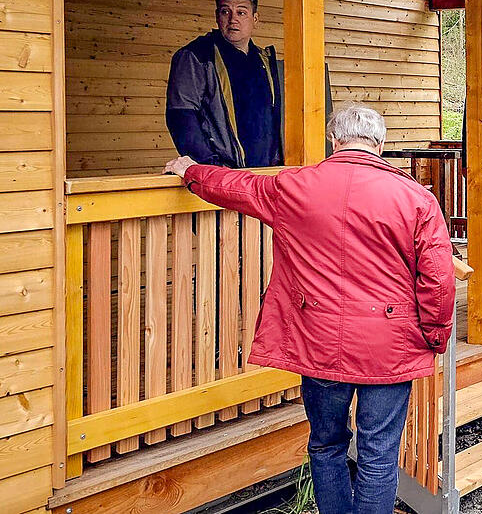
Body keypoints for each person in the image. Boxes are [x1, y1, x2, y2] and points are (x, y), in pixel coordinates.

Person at [163, 104, 455, 514]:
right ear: (381, 145)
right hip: (388, 346)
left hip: (318, 343)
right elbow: (438, 278)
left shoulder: (293, 186)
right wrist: (436, 335)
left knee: (326, 444)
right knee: (378, 455)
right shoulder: (416, 198)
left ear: (334, 141)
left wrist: (191, 171)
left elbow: (233, 186)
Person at [166, 0, 283, 168]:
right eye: (225, 12)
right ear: (217, 16)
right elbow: (181, 116)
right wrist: (211, 166)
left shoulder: (265, 61)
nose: (233, 19)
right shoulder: (197, 56)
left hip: (265, 174)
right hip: (222, 175)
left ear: (255, 18)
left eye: (241, 13)